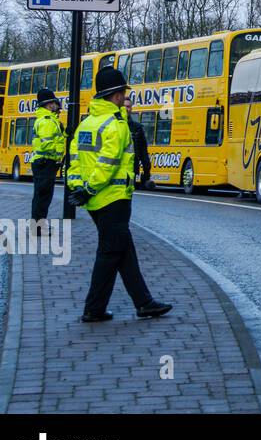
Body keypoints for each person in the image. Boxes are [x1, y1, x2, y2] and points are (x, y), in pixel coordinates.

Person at [68, 67, 172, 323]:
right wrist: (91, 188)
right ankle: (94, 309)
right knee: (110, 253)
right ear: (115, 96)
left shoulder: (86, 123)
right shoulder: (117, 125)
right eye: (123, 93)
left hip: (93, 200)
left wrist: (79, 189)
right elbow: (109, 163)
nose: (124, 97)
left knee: (124, 250)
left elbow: (73, 161)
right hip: (113, 197)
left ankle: (144, 303)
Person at [29, 88, 66, 229]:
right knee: (43, 198)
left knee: (41, 196)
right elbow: (47, 143)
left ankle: (37, 226)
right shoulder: (47, 121)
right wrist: (57, 156)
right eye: (55, 103)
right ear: (49, 104)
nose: (57, 106)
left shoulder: (48, 120)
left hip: (43, 163)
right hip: (45, 163)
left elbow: (56, 138)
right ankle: (38, 228)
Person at [124, 103, 153, 191]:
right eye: (123, 106)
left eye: (128, 107)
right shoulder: (112, 125)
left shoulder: (137, 128)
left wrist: (146, 174)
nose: (126, 109)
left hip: (131, 171)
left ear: (131, 109)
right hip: (114, 172)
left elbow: (143, 151)